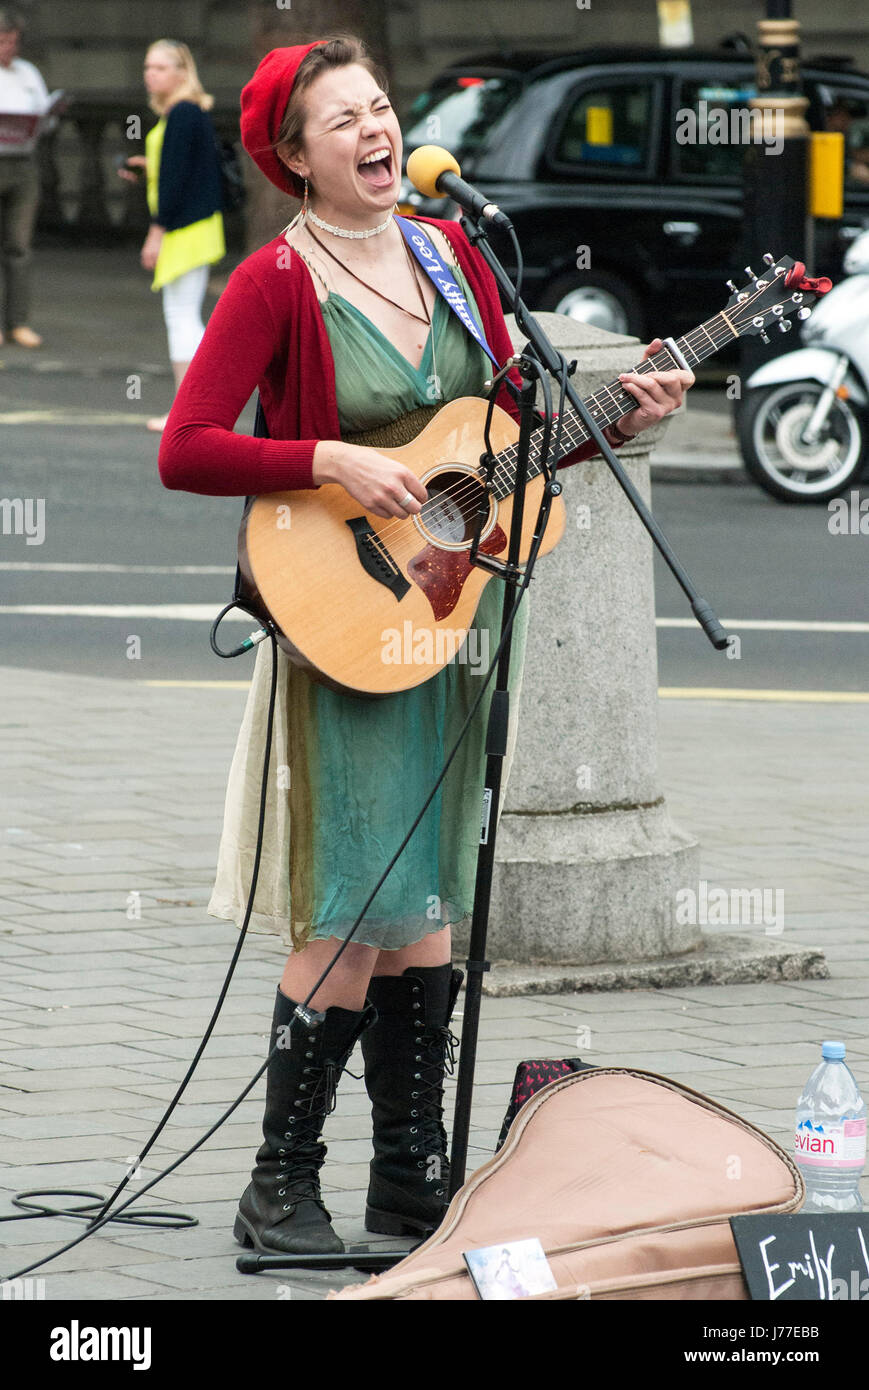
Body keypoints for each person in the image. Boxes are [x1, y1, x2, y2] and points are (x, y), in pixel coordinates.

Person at [157, 36, 694, 1258]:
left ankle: (410, 1184)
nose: (375, 130)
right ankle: (277, 1191)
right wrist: (323, 457)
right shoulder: (275, 283)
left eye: (382, 108)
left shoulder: (452, 255)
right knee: (353, 903)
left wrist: (613, 416)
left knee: (429, 902)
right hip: (345, 625)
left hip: (453, 618)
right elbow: (185, 446)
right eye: (341, 119)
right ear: (294, 157)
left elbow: (494, 449)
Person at [120, 39, 224, 431]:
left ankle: (190, 410)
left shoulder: (181, 112)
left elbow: (178, 178)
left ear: (182, 71)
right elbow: (180, 167)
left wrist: (156, 232)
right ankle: (197, 407)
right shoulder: (186, 111)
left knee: (181, 316)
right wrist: (149, 166)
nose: (151, 74)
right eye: (148, 67)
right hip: (195, 226)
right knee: (185, 314)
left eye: (160, 68)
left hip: (184, 229)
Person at [0, 5, 50, 348]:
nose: (9, 47)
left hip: (23, 163)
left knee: (19, 246)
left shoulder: (27, 72)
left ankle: (17, 322)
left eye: (14, 41)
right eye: (3, 40)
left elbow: (46, 114)